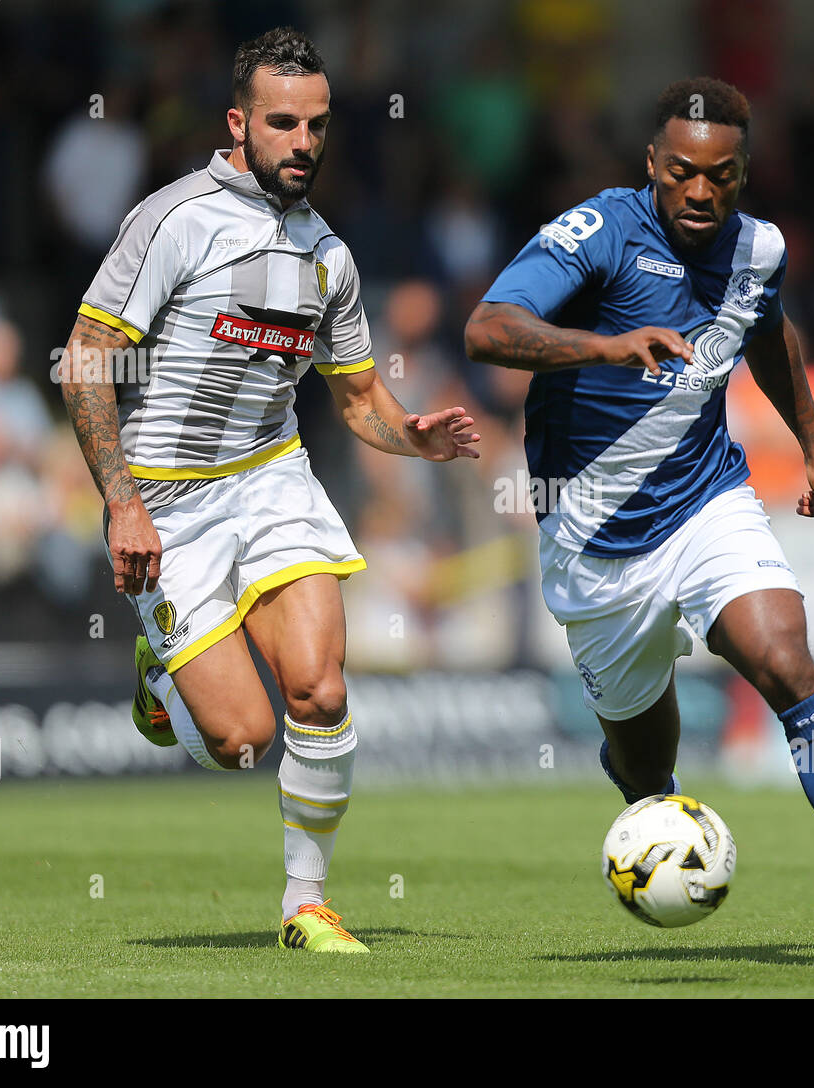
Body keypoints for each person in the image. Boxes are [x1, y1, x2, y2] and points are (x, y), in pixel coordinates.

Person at [465, 76, 814, 966]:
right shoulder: (600, 232)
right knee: (648, 773)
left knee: (786, 660)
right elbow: (487, 328)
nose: (700, 192)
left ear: (743, 173)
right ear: (653, 164)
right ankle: (647, 797)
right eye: (682, 172)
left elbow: (768, 332)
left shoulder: (758, 249)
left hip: (707, 505)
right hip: (591, 545)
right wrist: (602, 345)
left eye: (721, 176)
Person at [59, 27, 479, 953]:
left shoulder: (330, 254)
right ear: (238, 123)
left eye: (317, 125)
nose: (303, 142)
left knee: (320, 693)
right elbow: (86, 360)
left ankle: (307, 904)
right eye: (283, 122)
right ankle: (163, 682)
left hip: (272, 479)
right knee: (242, 739)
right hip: (165, 502)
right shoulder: (173, 220)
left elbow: (360, 395)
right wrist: (121, 502)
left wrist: (410, 436)